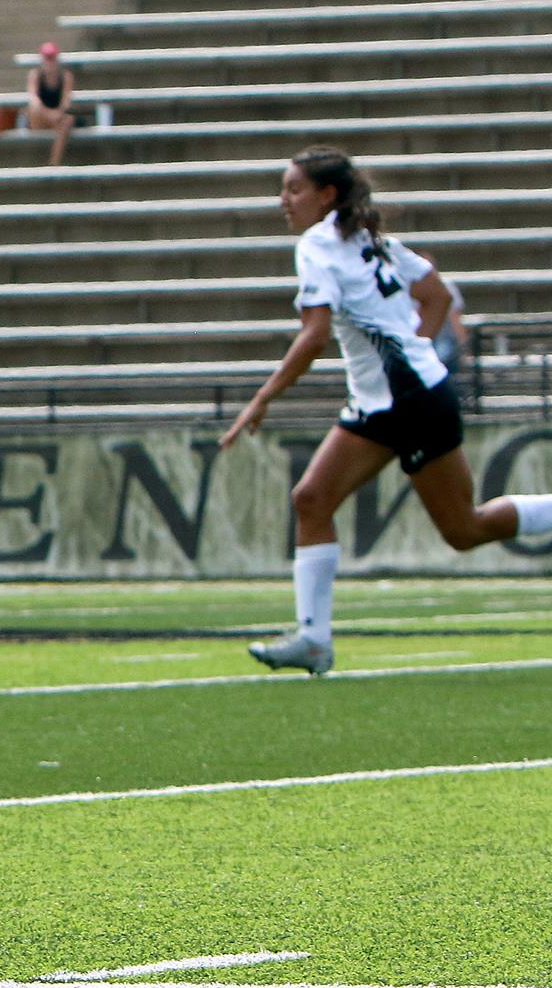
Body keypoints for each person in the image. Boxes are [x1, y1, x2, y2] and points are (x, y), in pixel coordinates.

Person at [219, 147, 552, 675]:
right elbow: (436, 295)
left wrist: (261, 398)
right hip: (392, 399)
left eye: (293, 189)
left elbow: (315, 336)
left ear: (326, 196)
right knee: (311, 499)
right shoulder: (373, 241)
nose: (283, 200)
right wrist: (411, 348)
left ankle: (313, 638)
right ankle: (313, 640)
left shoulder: (318, 246)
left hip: (410, 401)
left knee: (464, 530)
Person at [26, 41, 75, 167]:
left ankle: (54, 162)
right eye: (47, 58)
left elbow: (66, 101)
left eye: (52, 58)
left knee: (68, 121)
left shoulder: (65, 76)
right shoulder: (35, 75)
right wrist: (49, 114)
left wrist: (57, 114)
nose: (49, 62)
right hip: (41, 117)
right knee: (33, 110)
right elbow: (34, 100)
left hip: (57, 117)